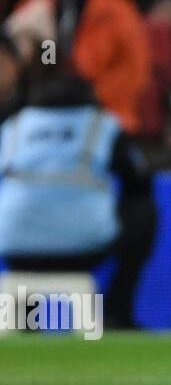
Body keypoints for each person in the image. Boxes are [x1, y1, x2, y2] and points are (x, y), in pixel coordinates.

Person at [0, 67, 157, 329]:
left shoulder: (14, 125)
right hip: (84, 249)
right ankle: (118, 313)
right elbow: (140, 179)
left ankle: (25, 320)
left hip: (15, 250)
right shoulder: (101, 124)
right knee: (144, 210)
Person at [5, 0, 150, 133]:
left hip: (105, 113)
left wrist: (87, 98)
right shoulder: (33, 8)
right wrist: (36, 42)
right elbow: (18, 69)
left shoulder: (117, 10)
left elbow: (134, 70)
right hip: (41, 115)